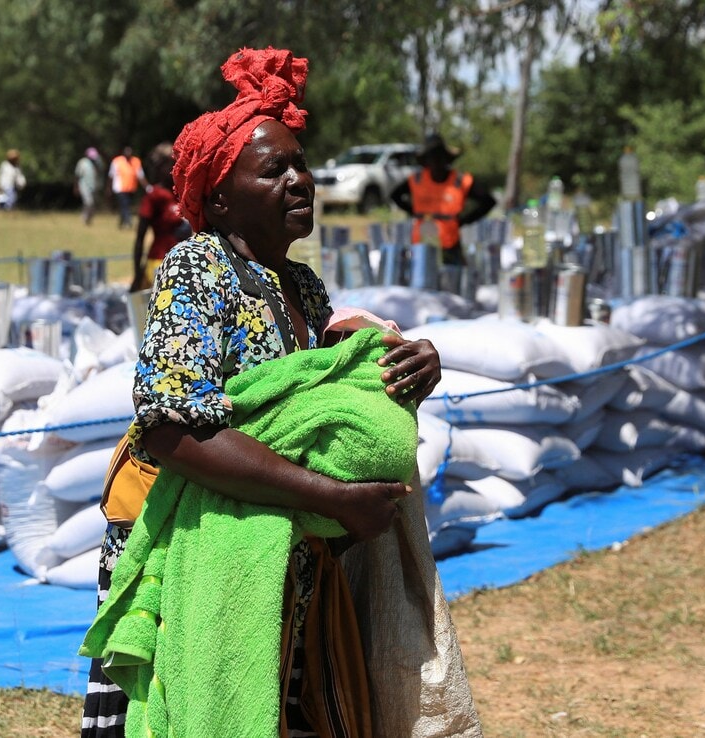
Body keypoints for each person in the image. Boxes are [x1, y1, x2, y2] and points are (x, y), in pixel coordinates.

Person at [79, 48, 455, 738]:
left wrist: (412, 369)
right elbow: (170, 428)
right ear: (220, 198)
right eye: (273, 169)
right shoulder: (197, 268)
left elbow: (314, 404)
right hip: (191, 540)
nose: (299, 181)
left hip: (272, 539)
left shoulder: (305, 290)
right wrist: (329, 499)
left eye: (301, 165)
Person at [390, 133, 496, 266]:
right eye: (432, 157)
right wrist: (413, 212)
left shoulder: (460, 181)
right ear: (426, 160)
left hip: (450, 247)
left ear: (446, 158)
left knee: (452, 281)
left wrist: (464, 220)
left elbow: (489, 201)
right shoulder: (416, 180)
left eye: (439, 156)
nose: (436, 161)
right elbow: (395, 196)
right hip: (421, 246)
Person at [129, 141, 191, 291]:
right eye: (172, 164)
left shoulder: (183, 194)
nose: (177, 168)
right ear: (161, 166)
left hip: (185, 262)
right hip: (159, 261)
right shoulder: (154, 197)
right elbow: (140, 238)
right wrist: (137, 275)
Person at [108, 145, 146, 229]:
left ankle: (121, 222)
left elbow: (140, 176)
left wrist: (147, 187)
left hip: (131, 188)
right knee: (125, 205)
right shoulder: (117, 161)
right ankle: (128, 221)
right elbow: (111, 176)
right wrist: (109, 189)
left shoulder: (136, 161)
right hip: (119, 188)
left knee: (125, 205)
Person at [74, 147, 103, 225]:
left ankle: (89, 218)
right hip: (84, 186)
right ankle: (84, 217)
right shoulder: (82, 162)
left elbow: (100, 173)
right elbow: (77, 175)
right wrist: (76, 187)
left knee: (92, 204)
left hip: (94, 186)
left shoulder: (97, 163)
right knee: (88, 202)